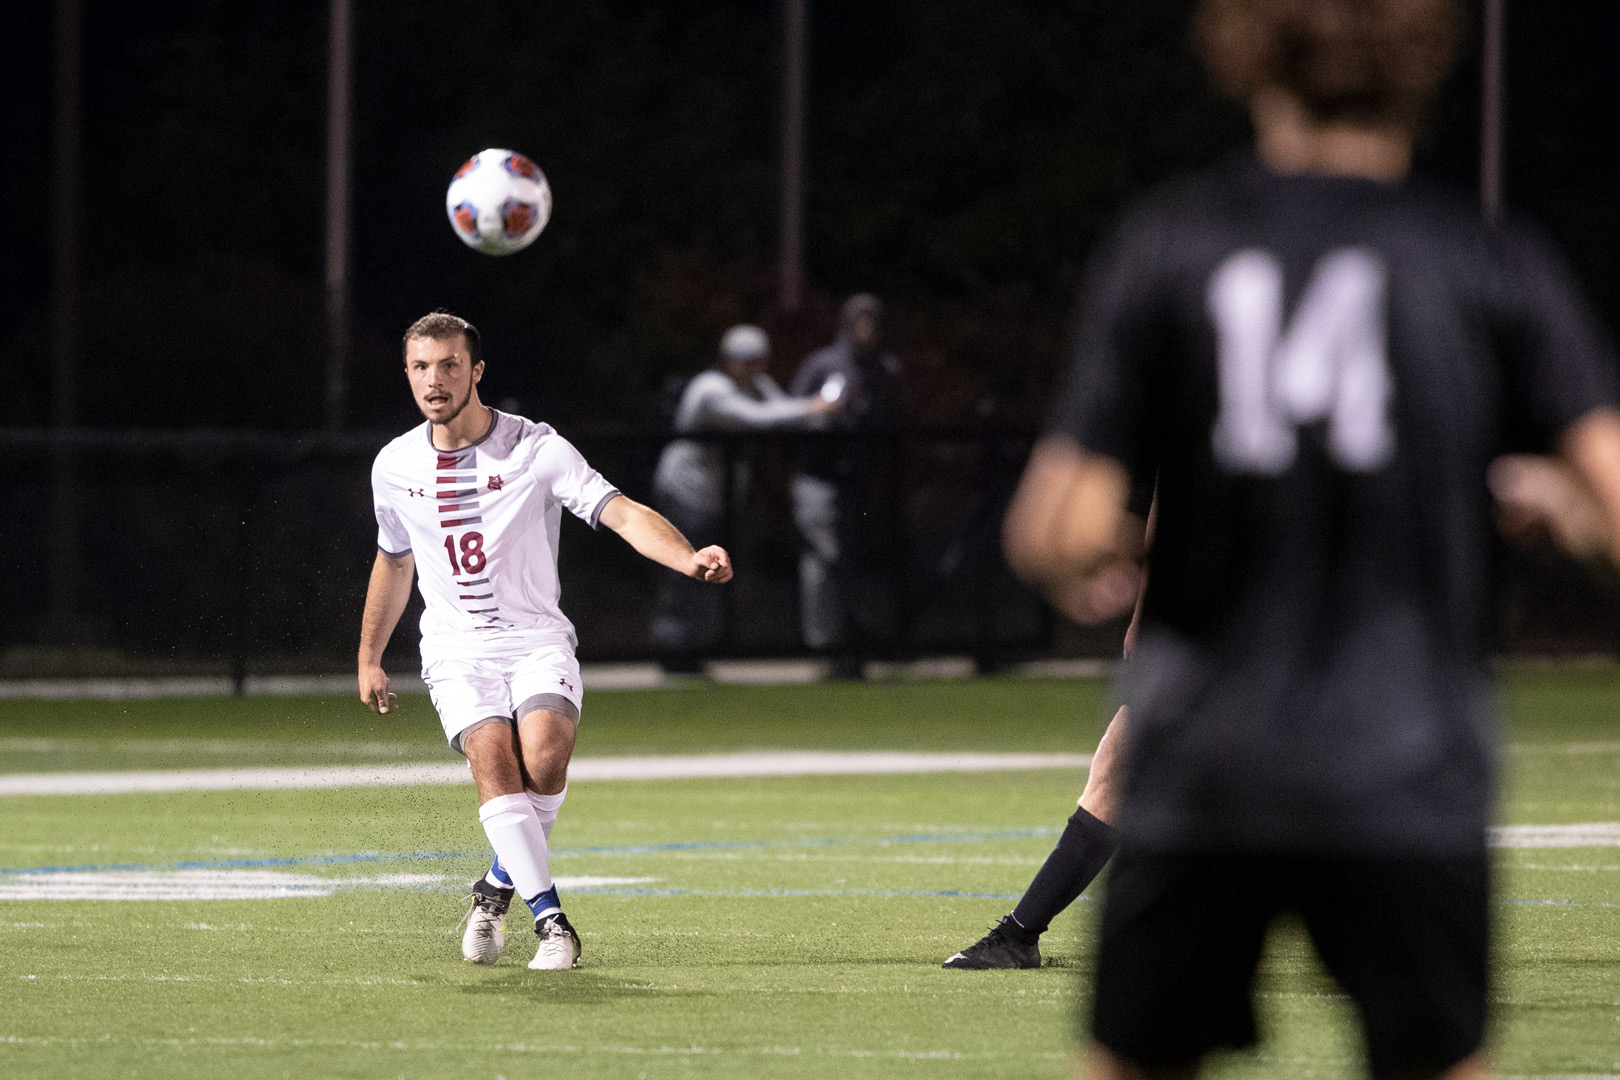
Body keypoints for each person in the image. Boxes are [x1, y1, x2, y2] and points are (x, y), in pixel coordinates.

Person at [1003, 0, 1620, 1076]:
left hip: (1208, 763)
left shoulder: (1170, 244)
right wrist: (1549, 504)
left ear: (1246, 58)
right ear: (1425, 66)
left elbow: (1049, 532)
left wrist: (1104, 552)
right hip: (1407, 757)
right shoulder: (1484, 256)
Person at [357, 312, 733, 970]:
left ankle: (495, 890)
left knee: (546, 756)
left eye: (449, 365)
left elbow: (620, 511)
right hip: (455, 649)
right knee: (493, 759)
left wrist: (687, 557)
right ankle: (552, 923)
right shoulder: (393, 466)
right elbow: (393, 560)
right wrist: (368, 656)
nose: (434, 379)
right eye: (421, 366)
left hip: (535, 640)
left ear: (476, 372)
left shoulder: (536, 449)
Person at [650, 324, 836, 656]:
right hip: (684, 492)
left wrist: (825, 415)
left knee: (712, 575)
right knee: (684, 572)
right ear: (726, 359)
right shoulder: (711, 388)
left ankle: (699, 648)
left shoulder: (758, 386)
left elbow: (785, 413)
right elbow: (759, 419)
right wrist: (813, 406)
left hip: (717, 498)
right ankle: (675, 651)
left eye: (757, 359)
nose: (750, 366)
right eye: (742, 358)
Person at [789, 294, 905, 666]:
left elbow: (897, 420)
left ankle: (858, 645)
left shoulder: (886, 370)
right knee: (824, 557)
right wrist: (822, 417)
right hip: (819, 477)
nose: (866, 329)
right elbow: (789, 413)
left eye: (873, 320)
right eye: (860, 320)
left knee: (860, 561)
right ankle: (823, 648)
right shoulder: (822, 365)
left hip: (863, 482)